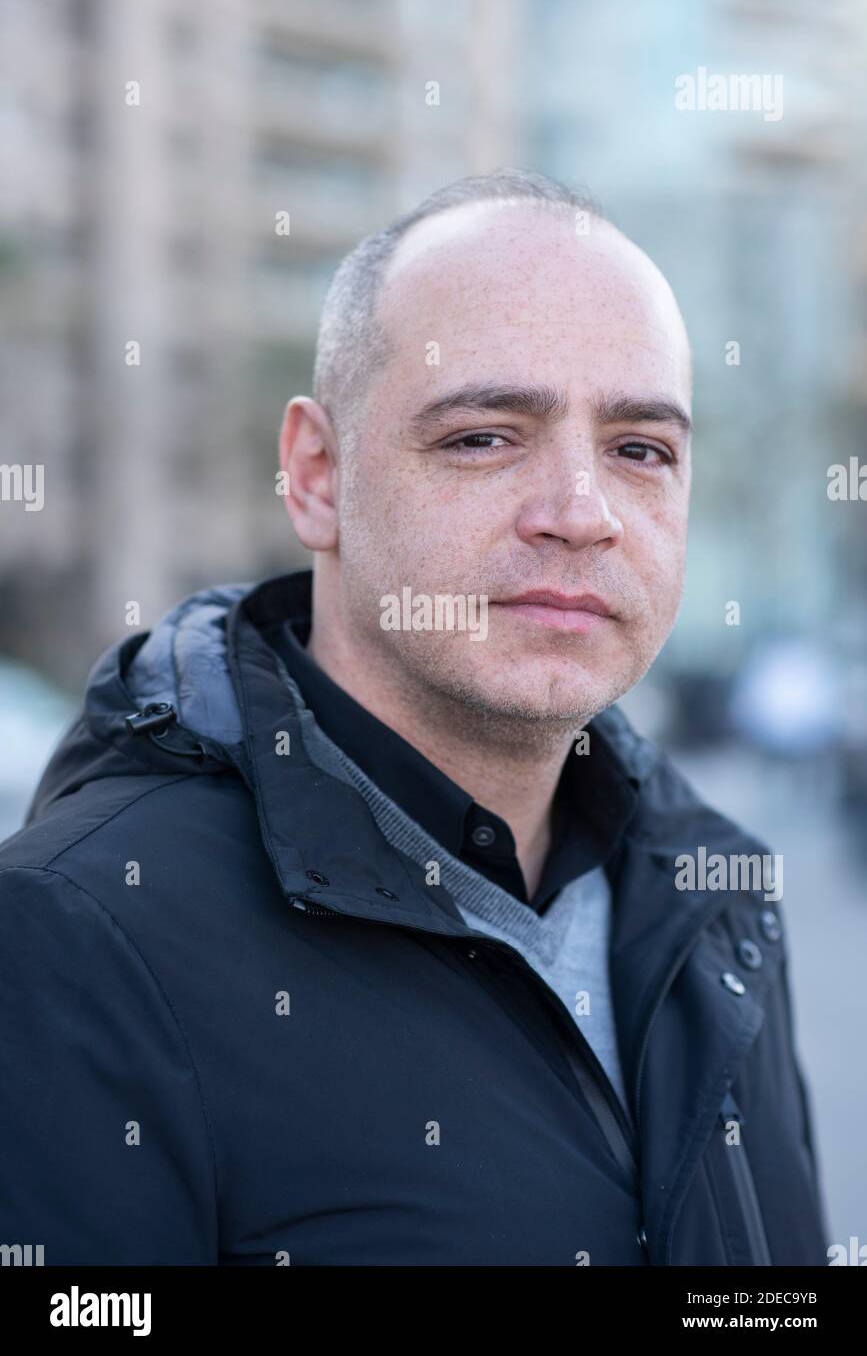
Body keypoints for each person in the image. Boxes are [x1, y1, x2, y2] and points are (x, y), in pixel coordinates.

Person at [0, 169, 829, 1265]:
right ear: (317, 475)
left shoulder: (716, 901)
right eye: (485, 435)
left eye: (640, 450)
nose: (581, 513)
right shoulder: (78, 936)